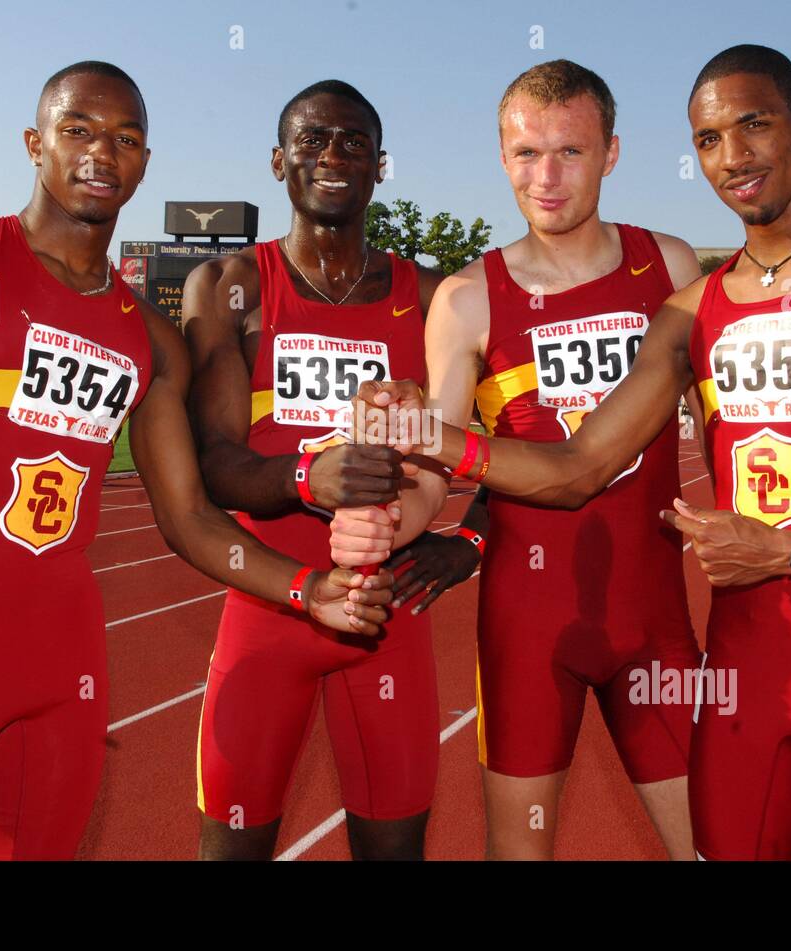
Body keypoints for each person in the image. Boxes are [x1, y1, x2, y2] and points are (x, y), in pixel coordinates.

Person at [337, 45, 791, 860]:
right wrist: (410, 447)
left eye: (754, 125)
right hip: (688, 663)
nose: (734, 156)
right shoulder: (685, 311)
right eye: (709, 139)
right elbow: (576, 467)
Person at [0, 62, 392, 861]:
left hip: (63, 681)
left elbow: (191, 517)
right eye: (78, 130)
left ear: (145, 161)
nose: (103, 152)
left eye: (126, 138)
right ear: (35, 144)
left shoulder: (149, 340)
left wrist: (311, 593)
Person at [331, 60, 702, 860]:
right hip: (529, 633)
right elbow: (431, 480)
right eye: (527, 154)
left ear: (611, 153)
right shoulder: (467, 298)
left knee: (720, 844)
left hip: (657, 624)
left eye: (570, 151)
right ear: (502, 158)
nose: (548, 177)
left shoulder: (670, 269)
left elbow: (724, 437)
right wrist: (378, 507)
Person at [181, 80, 445, 860]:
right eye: (312, 141)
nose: (333, 156)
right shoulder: (231, 285)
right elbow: (216, 463)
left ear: (380, 166)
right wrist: (307, 477)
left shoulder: (431, 296)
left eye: (355, 143)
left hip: (387, 613)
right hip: (270, 604)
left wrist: (471, 542)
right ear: (277, 162)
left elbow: (512, 438)